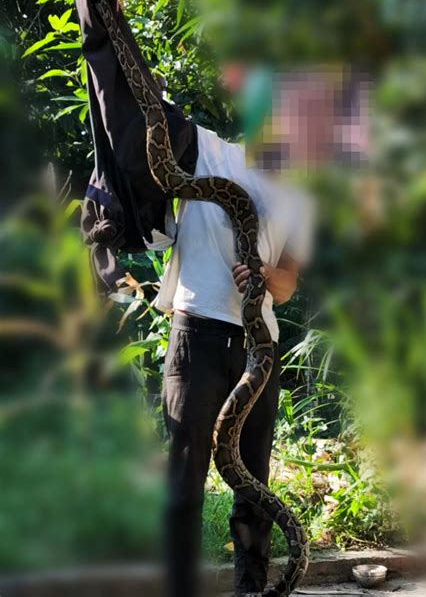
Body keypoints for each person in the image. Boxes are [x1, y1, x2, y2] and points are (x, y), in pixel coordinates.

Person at [153, 106, 313, 597]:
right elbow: (147, 117)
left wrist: (263, 275)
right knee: (185, 480)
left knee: (252, 481)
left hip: (257, 347)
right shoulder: (208, 149)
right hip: (196, 334)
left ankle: (251, 589)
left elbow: (286, 285)